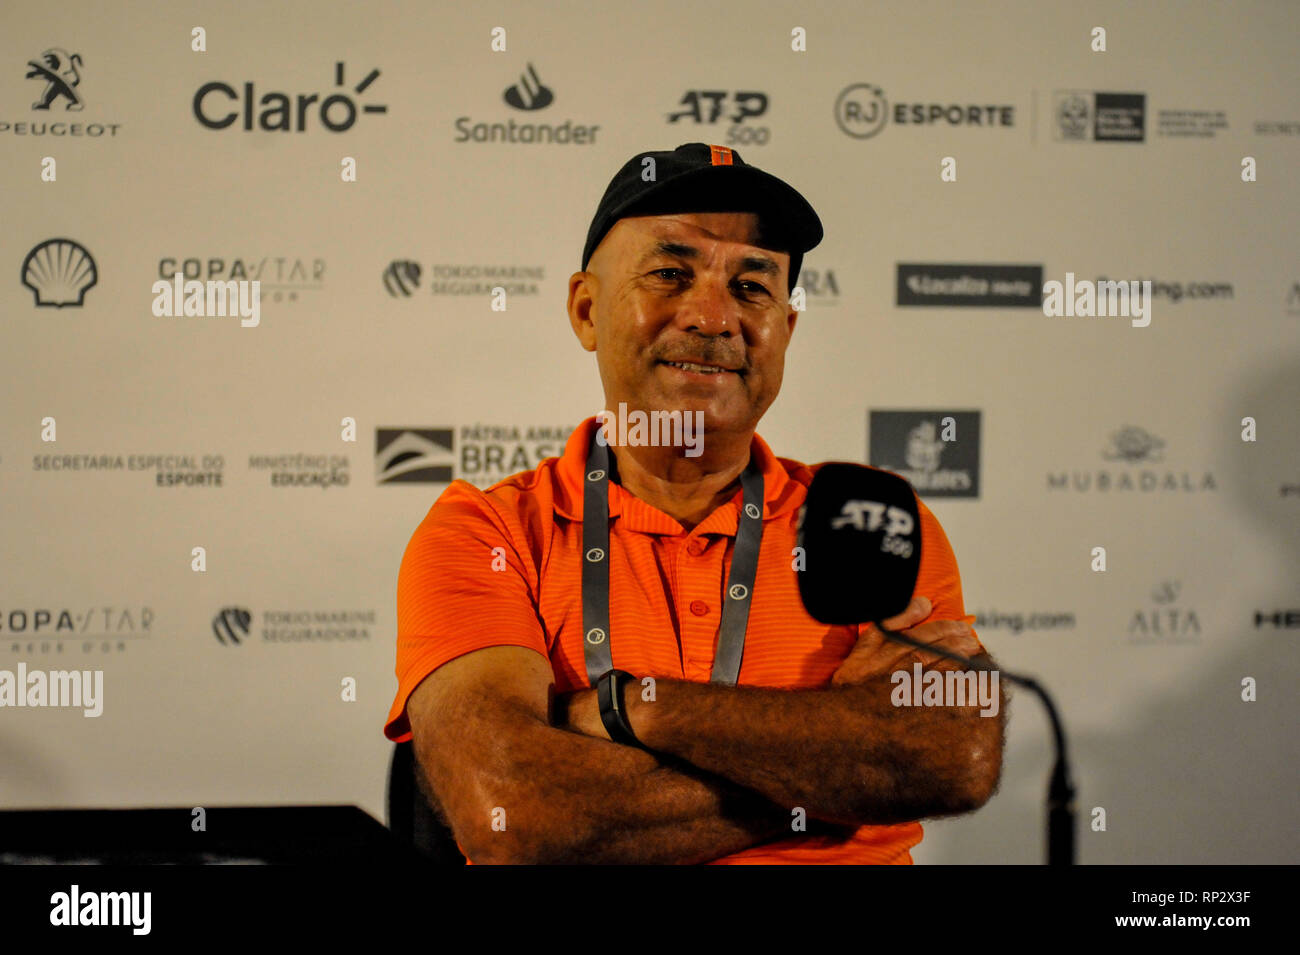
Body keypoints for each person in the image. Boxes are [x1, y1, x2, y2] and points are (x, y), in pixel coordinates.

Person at [383, 142, 1004, 864]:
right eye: (671, 273)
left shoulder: (871, 521)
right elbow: (513, 814)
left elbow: (949, 757)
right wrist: (847, 756)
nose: (713, 318)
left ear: (787, 329)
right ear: (586, 310)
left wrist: (631, 709)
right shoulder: (487, 531)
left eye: (751, 287)